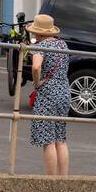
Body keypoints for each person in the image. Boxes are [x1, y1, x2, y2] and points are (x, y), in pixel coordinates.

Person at [26, 14, 71, 176]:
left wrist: (37, 83)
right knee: (60, 138)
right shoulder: (63, 44)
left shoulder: (40, 46)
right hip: (64, 91)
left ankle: (51, 180)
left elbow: (36, 67)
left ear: (37, 32)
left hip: (48, 93)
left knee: (48, 140)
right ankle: (64, 179)